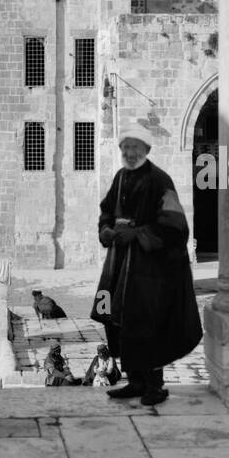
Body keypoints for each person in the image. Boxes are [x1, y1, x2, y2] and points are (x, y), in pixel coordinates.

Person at [90, 126, 202, 405]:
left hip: (150, 271)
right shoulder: (120, 177)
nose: (129, 153)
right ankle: (135, 381)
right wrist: (106, 230)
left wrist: (138, 234)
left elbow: (176, 227)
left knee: (148, 325)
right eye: (125, 148)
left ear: (147, 150)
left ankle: (155, 386)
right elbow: (106, 210)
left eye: (135, 148)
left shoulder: (159, 181)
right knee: (120, 321)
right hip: (119, 266)